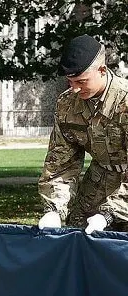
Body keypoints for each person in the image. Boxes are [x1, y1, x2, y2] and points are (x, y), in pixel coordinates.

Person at [38, 34, 128, 234]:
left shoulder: (125, 101)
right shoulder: (67, 104)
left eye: (81, 81)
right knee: (76, 240)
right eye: (70, 82)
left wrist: (109, 214)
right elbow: (61, 162)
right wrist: (54, 208)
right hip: (96, 185)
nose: (75, 89)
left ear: (102, 70)